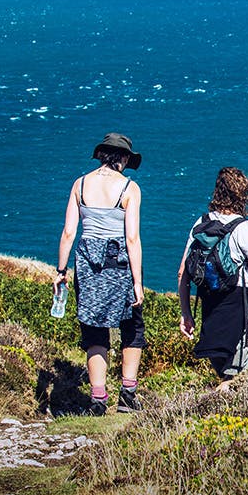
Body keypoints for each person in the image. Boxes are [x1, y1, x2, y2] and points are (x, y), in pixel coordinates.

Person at [54, 133, 145, 415]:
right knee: (132, 327)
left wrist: (61, 270)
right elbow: (132, 239)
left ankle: (97, 399)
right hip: (119, 265)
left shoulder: (79, 185)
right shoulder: (130, 188)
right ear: (125, 158)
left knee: (94, 328)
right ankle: (128, 395)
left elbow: (70, 232)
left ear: (101, 155)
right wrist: (138, 282)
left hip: (87, 265)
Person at [178, 167, 248, 391]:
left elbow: (182, 272)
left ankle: (217, 413)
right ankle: (220, 418)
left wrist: (186, 314)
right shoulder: (246, 228)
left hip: (209, 303)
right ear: (244, 194)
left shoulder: (201, 223)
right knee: (234, 376)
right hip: (238, 303)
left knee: (223, 370)